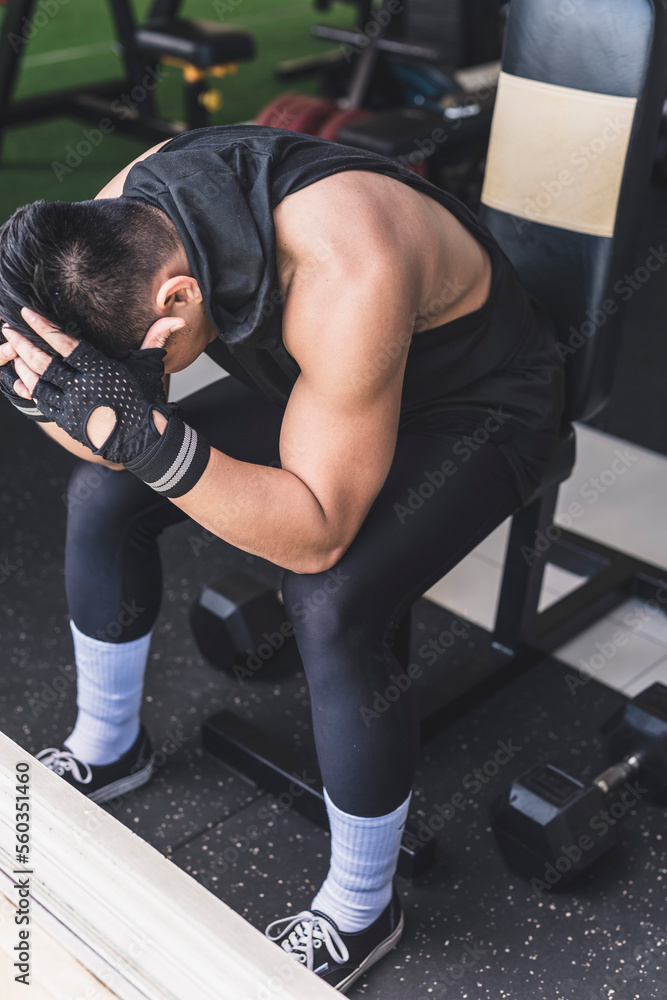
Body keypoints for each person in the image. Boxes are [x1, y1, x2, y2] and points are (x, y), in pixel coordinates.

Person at [0, 125, 564, 992]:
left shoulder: (349, 261)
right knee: (106, 498)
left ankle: (361, 906)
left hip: (475, 403)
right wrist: (57, 400)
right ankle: (110, 747)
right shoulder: (119, 214)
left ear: (176, 298)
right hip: (319, 377)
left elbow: (318, 531)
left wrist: (146, 440)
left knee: (332, 598)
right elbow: (101, 447)